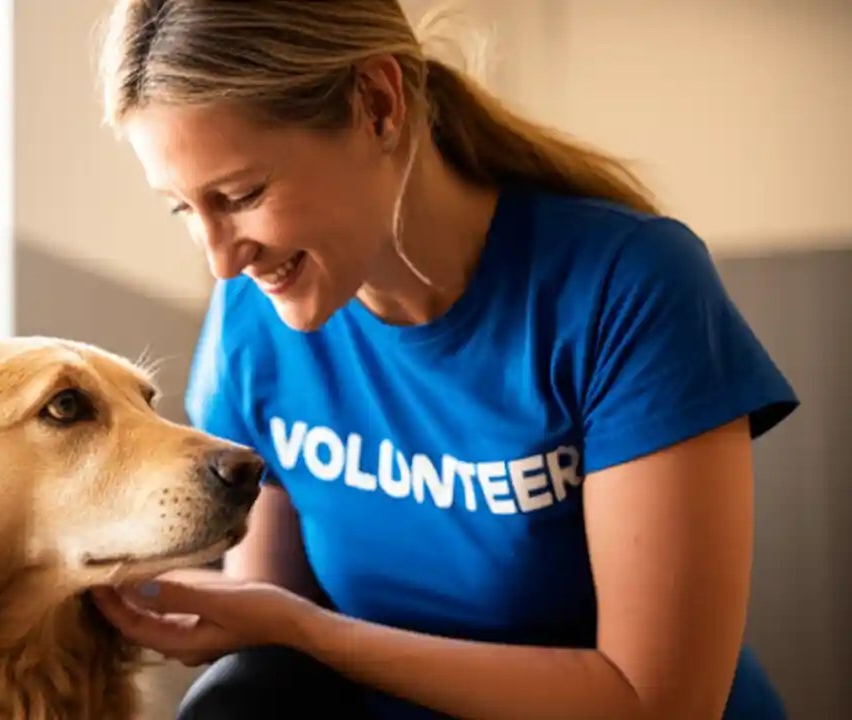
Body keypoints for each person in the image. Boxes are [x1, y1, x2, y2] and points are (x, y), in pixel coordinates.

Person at [87, 2, 798, 719]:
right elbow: (273, 661)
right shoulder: (252, 320)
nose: (220, 257)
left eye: (242, 195)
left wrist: (316, 634)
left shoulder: (627, 285)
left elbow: (659, 703)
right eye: (182, 209)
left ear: (378, 104)